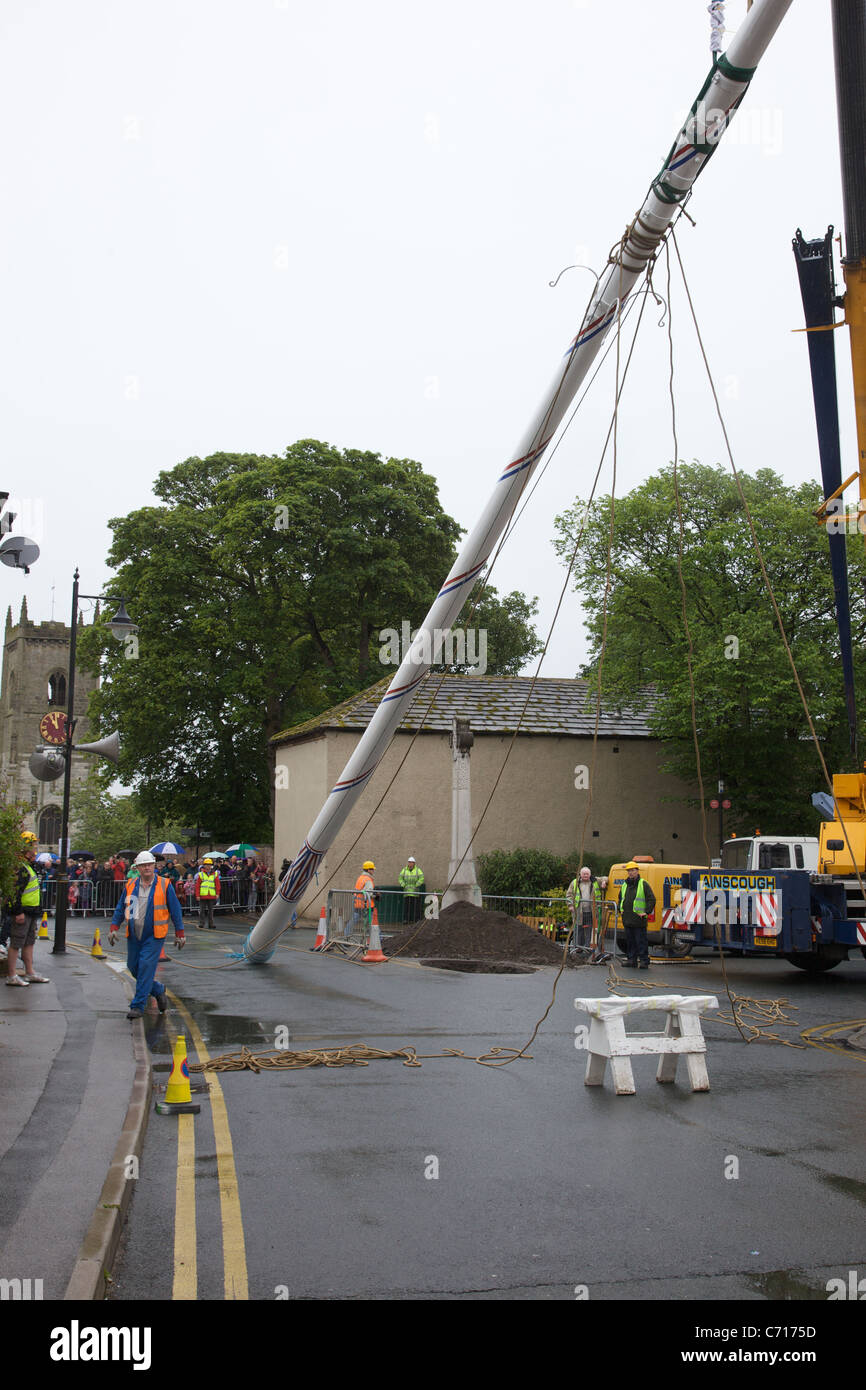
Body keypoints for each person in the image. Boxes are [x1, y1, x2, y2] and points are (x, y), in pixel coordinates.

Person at [109, 850, 184, 1020]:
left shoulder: (165, 884)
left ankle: (138, 1005)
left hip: (154, 935)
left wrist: (180, 932)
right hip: (134, 934)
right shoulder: (130, 885)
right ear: (138, 868)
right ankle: (157, 989)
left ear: (154, 866)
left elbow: (175, 910)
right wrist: (114, 926)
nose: (147, 868)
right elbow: (122, 907)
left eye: (149, 864)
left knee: (145, 967)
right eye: (143, 865)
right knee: (133, 967)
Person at [5, 831, 49, 988]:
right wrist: (18, 912)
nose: (34, 850)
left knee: (29, 942)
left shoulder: (28, 867)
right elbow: (14, 893)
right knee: (16, 943)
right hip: (23, 911)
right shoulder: (21, 868)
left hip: (31, 911)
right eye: (32, 846)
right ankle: (11, 975)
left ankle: (30, 972)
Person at [619, 861, 656, 969]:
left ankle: (644, 961)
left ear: (637, 871)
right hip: (627, 919)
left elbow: (651, 899)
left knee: (641, 942)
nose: (630, 873)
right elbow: (621, 898)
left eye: (632, 870)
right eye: (629, 871)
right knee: (630, 942)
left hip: (639, 920)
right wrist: (620, 908)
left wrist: (646, 911)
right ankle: (632, 960)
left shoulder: (643, 884)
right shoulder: (625, 885)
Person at [566, 867, 595, 949]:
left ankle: (587, 948)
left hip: (590, 912)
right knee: (578, 930)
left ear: (590, 874)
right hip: (578, 911)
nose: (586, 875)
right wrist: (570, 905)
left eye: (587, 874)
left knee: (589, 931)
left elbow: (606, 878)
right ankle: (578, 948)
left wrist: (604, 881)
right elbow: (569, 895)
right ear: (580, 874)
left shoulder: (594, 881)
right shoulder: (574, 882)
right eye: (584, 874)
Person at [398, 855, 425, 923]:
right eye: (409, 862)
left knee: (416, 907)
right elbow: (400, 878)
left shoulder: (418, 870)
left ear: (414, 863)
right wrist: (403, 884)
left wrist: (417, 884)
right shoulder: (404, 870)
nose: (410, 863)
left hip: (415, 893)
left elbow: (421, 878)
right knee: (407, 907)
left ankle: (416, 920)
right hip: (407, 892)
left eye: (412, 862)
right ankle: (406, 919)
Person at [195, 857, 220, 930]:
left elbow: (217, 885)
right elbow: (197, 886)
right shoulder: (201, 874)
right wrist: (197, 895)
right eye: (206, 864)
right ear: (204, 865)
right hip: (203, 896)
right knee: (202, 911)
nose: (208, 866)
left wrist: (217, 893)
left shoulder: (215, 874)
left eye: (209, 864)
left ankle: (211, 924)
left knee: (211, 911)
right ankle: (201, 923)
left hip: (211, 896)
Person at [353, 860, 377, 933]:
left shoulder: (360, 878)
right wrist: (376, 895)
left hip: (358, 903)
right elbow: (369, 894)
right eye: (372, 869)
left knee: (353, 921)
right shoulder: (368, 880)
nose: (373, 871)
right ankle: (378, 937)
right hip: (366, 905)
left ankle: (345, 934)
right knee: (373, 922)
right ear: (369, 870)